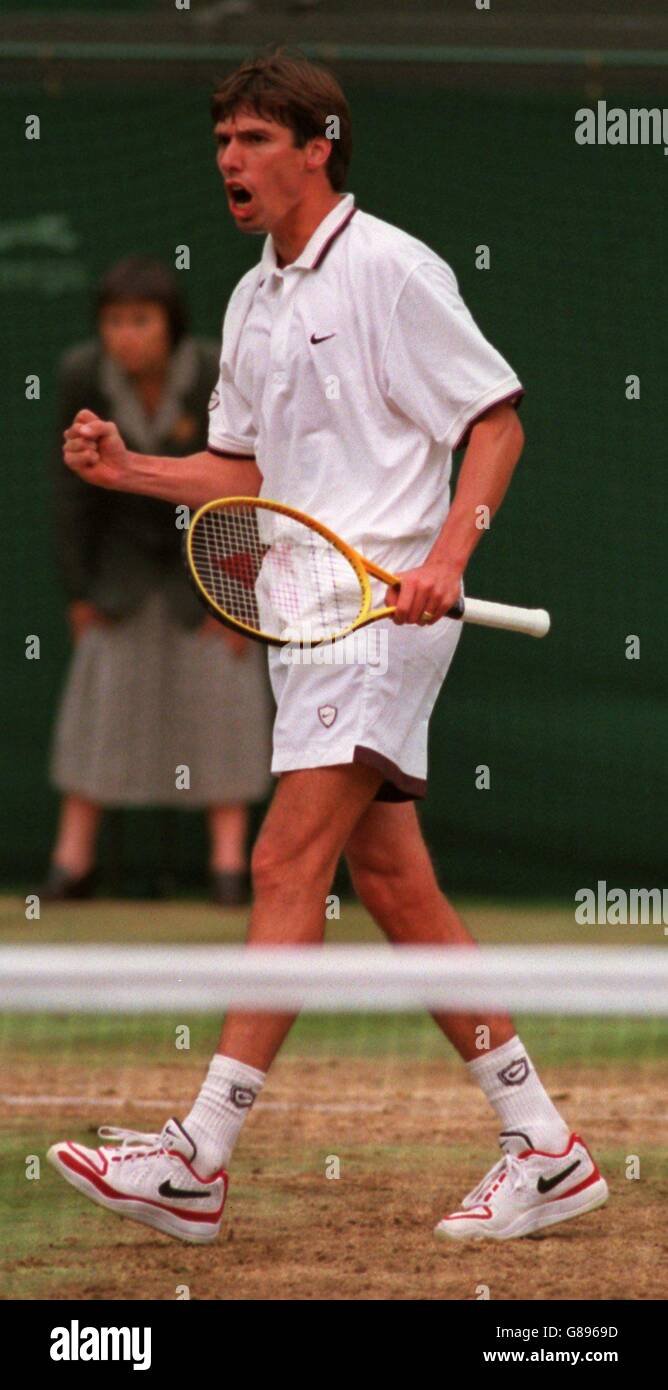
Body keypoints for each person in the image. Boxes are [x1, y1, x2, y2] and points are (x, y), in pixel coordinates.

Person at [48, 50, 608, 1243]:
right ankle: (546, 1149)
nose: (229, 162)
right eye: (221, 142)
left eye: (253, 139)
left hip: (384, 625)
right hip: (305, 617)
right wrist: (130, 468)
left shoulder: (393, 270)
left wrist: (449, 555)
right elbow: (242, 476)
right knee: (395, 885)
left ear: (318, 145)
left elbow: (493, 422)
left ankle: (198, 1156)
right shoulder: (251, 300)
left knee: (280, 864)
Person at [44, 256, 273, 907]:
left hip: (208, 569)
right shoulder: (80, 375)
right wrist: (80, 591)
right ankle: (72, 863)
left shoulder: (212, 370)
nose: (125, 334)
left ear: (170, 326)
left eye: (140, 320)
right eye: (113, 321)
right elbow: (70, 493)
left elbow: (242, 491)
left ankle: (230, 868)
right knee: (99, 710)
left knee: (222, 708)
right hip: (119, 576)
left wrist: (234, 601)